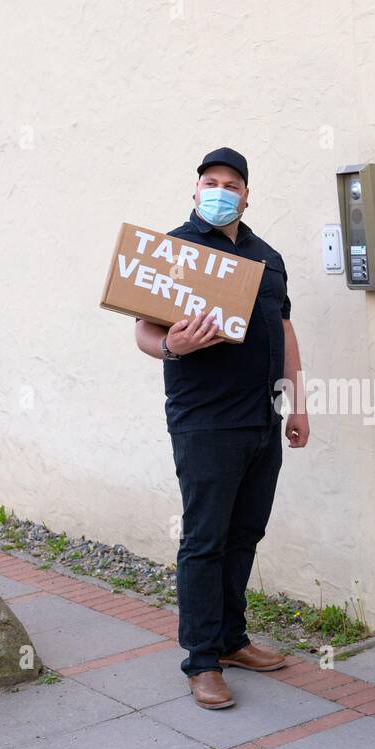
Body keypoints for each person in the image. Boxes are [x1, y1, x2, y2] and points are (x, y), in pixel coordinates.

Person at [134, 146, 309, 709]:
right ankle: (202, 660)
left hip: (262, 416)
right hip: (206, 423)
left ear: (246, 193)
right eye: (210, 181)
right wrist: (171, 346)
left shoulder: (267, 257)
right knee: (205, 541)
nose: (220, 190)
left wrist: (298, 402)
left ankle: (233, 639)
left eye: (230, 183)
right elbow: (143, 331)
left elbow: (283, 331)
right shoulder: (175, 252)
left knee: (244, 535)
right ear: (195, 190)